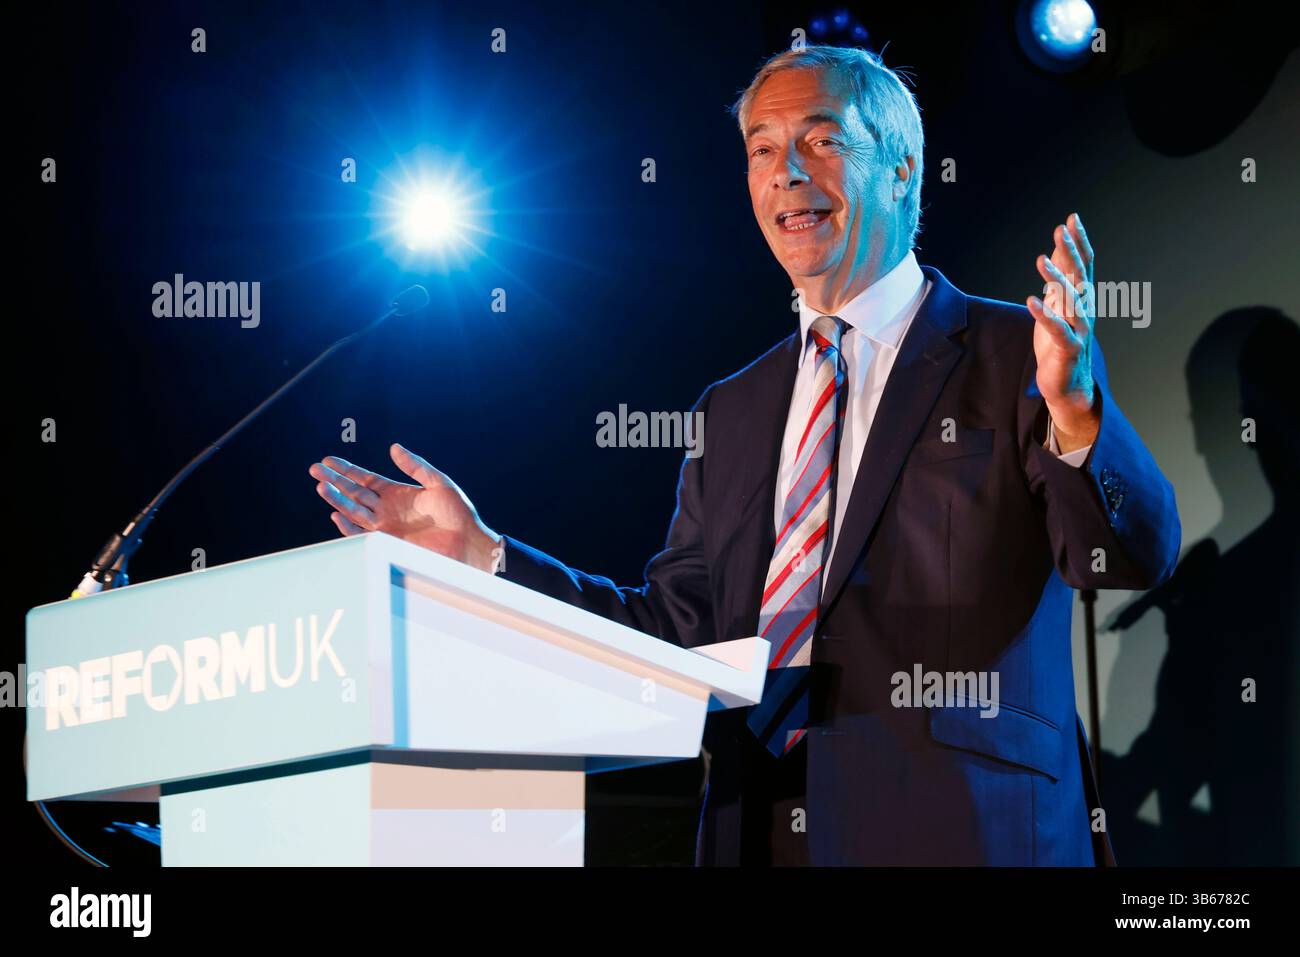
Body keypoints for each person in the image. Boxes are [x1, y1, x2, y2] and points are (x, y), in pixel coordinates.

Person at [309, 45, 1180, 865]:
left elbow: (1131, 553)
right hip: (756, 828)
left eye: (822, 141)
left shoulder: (1009, 351)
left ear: (905, 167)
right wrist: (488, 559)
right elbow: (675, 636)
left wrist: (1075, 414)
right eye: (762, 150)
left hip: (967, 825)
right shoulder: (732, 408)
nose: (786, 173)